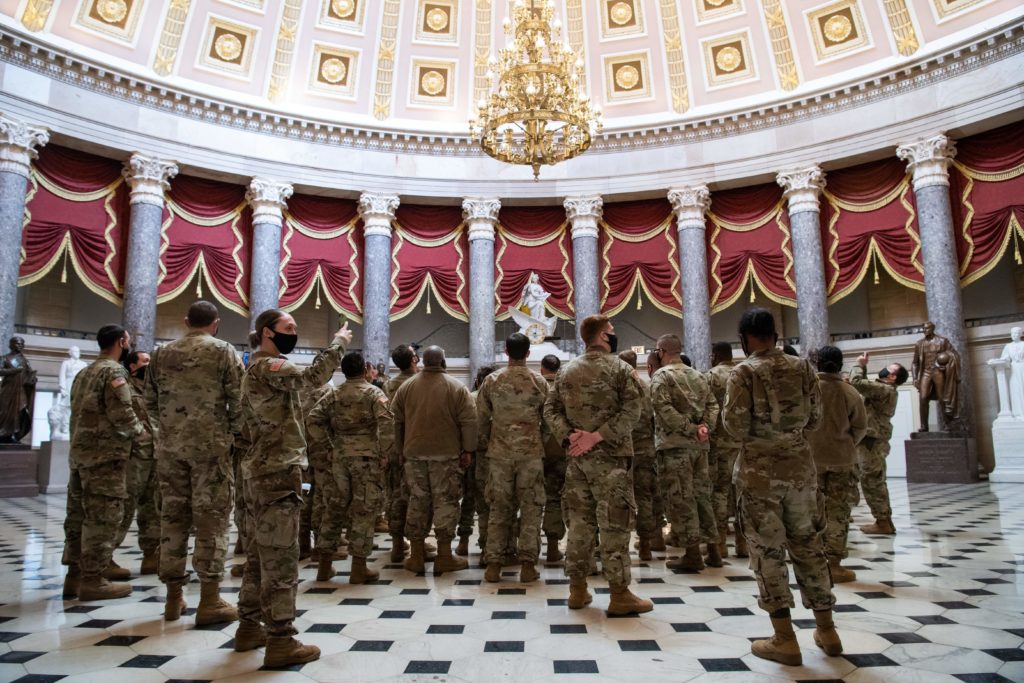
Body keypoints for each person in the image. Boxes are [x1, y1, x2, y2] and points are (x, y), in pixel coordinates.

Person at [723, 307, 841, 666]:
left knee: (768, 553)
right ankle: (827, 629)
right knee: (809, 545)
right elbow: (816, 418)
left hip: (760, 474)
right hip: (801, 470)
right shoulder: (803, 367)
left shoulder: (744, 372)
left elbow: (734, 427)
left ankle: (784, 638)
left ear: (744, 340)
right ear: (774, 335)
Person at [237, 309, 351, 668]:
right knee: (281, 560)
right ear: (268, 333)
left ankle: (248, 627)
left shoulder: (259, 371)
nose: (294, 333)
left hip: (263, 470)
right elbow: (314, 376)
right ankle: (281, 640)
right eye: (289, 329)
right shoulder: (269, 367)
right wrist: (339, 344)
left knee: (258, 555)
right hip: (276, 472)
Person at [543, 315, 651, 616]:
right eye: (612, 331)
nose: (614, 335)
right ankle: (619, 594)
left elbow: (549, 409)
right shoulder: (621, 369)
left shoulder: (566, 371)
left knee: (579, 524)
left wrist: (569, 437)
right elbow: (634, 410)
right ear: (604, 336)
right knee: (615, 524)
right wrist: (598, 436)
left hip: (577, 460)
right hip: (612, 460)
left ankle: (577, 590)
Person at [144, 300, 242, 625]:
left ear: (187, 321)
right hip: (211, 450)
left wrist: (168, 433)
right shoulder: (224, 350)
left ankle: (173, 599)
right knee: (211, 521)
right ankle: (210, 600)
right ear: (216, 323)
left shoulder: (160, 353)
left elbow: (150, 403)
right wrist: (232, 437)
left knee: (172, 519)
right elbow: (239, 402)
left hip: (170, 450)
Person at [62, 325, 142, 601]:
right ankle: (94, 580)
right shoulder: (114, 372)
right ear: (122, 342)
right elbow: (123, 415)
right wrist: (146, 435)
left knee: (77, 517)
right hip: (105, 457)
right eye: (128, 342)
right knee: (102, 518)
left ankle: (73, 577)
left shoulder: (84, 372)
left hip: (80, 456)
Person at [307, 351, 392, 584]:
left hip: (339, 459)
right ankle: (358, 568)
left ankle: (324, 567)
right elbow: (387, 423)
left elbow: (313, 419)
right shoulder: (374, 393)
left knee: (333, 509)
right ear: (365, 369)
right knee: (363, 510)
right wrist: (385, 452)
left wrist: (328, 445)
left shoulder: (334, 394)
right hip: (366, 458)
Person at [390, 345, 476, 575]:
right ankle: (445, 556)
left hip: (413, 455)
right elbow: (469, 421)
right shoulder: (457, 387)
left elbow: (396, 421)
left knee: (417, 502)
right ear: (443, 361)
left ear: (423, 361)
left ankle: (417, 555)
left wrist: (400, 450)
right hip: (446, 456)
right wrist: (468, 450)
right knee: (446, 503)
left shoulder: (406, 387)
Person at [478, 333, 548, 583]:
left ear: (505, 351)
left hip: (499, 454)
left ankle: (494, 565)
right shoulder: (539, 382)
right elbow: (549, 420)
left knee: (499, 508)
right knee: (531, 509)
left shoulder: (492, 381)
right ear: (529, 353)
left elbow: (481, 420)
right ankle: (528, 566)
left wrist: (490, 442)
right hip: (531, 454)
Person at [650, 334, 720, 570]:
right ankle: (714, 550)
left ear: (661, 352)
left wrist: (689, 429)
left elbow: (663, 409)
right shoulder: (697, 374)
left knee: (681, 498)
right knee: (702, 495)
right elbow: (713, 405)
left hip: (675, 446)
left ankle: (692, 555)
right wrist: (704, 428)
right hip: (700, 446)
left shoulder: (662, 375)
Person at [807, 346, 867, 583]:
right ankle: (833, 565)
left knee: (811, 512)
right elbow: (860, 427)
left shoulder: (808, 391)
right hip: (842, 460)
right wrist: (845, 443)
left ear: (817, 364)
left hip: (811, 461)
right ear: (840, 364)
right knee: (838, 514)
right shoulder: (849, 392)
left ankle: (812, 562)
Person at [111, 351, 160, 576]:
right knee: (125, 506)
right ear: (132, 366)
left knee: (152, 508)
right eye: (145, 362)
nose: (149, 365)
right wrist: (139, 433)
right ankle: (105, 557)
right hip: (133, 457)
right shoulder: (124, 387)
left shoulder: (153, 391)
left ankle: (151, 555)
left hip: (155, 455)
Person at [850, 352, 908, 535]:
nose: (884, 370)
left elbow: (857, 383)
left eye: (889, 369)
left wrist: (859, 365)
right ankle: (884, 520)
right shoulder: (883, 389)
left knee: (872, 480)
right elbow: (866, 388)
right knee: (873, 479)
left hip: (871, 441)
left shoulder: (884, 389)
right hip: (873, 439)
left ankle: (883, 521)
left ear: (892, 377)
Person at [617, 349, 659, 561]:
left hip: (621, 451)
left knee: (617, 499)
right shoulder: (647, 387)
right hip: (645, 449)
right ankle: (645, 545)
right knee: (645, 498)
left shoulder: (616, 387)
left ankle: (620, 545)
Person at [706, 341, 745, 559]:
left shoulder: (711, 376)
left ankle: (719, 544)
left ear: (714, 355)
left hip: (718, 444)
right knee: (741, 494)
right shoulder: (744, 373)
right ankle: (743, 543)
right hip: (742, 443)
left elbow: (705, 407)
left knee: (718, 492)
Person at [384, 344, 418, 562]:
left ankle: (397, 545)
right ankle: (417, 545)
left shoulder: (388, 385)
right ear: (414, 360)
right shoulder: (417, 384)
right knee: (417, 497)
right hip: (414, 446)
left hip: (392, 446)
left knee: (394, 495)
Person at [468, 364, 498, 563]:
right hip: (503, 456)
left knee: (483, 506)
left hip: (479, 457)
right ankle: (506, 548)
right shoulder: (502, 396)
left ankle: (487, 549)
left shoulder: (471, 398)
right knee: (505, 505)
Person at [540, 354, 568, 562]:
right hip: (560, 450)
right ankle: (552, 547)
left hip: (536, 451)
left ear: (542, 369)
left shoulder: (535, 385)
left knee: (529, 502)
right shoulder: (565, 388)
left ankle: (526, 550)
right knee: (556, 499)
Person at [912, 321, 961, 431]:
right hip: (926, 372)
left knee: (942, 398)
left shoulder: (943, 341)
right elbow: (915, 363)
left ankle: (947, 424)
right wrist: (915, 377)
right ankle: (924, 426)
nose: (925, 330)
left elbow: (955, 355)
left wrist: (947, 361)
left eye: (927, 328)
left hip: (938, 371)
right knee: (923, 398)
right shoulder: (919, 344)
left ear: (933, 328)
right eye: (924, 329)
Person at [0, 336, 37, 443]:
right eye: (17, 343)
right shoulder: (4, 358)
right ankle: (4, 433)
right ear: (11, 345)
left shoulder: (25, 360)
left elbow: (28, 374)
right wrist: (14, 371)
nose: (20, 346)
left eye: (22, 344)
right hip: (8, 389)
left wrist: (32, 379)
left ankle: (14, 434)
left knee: (21, 411)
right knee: (5, 411)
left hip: (21, 390)